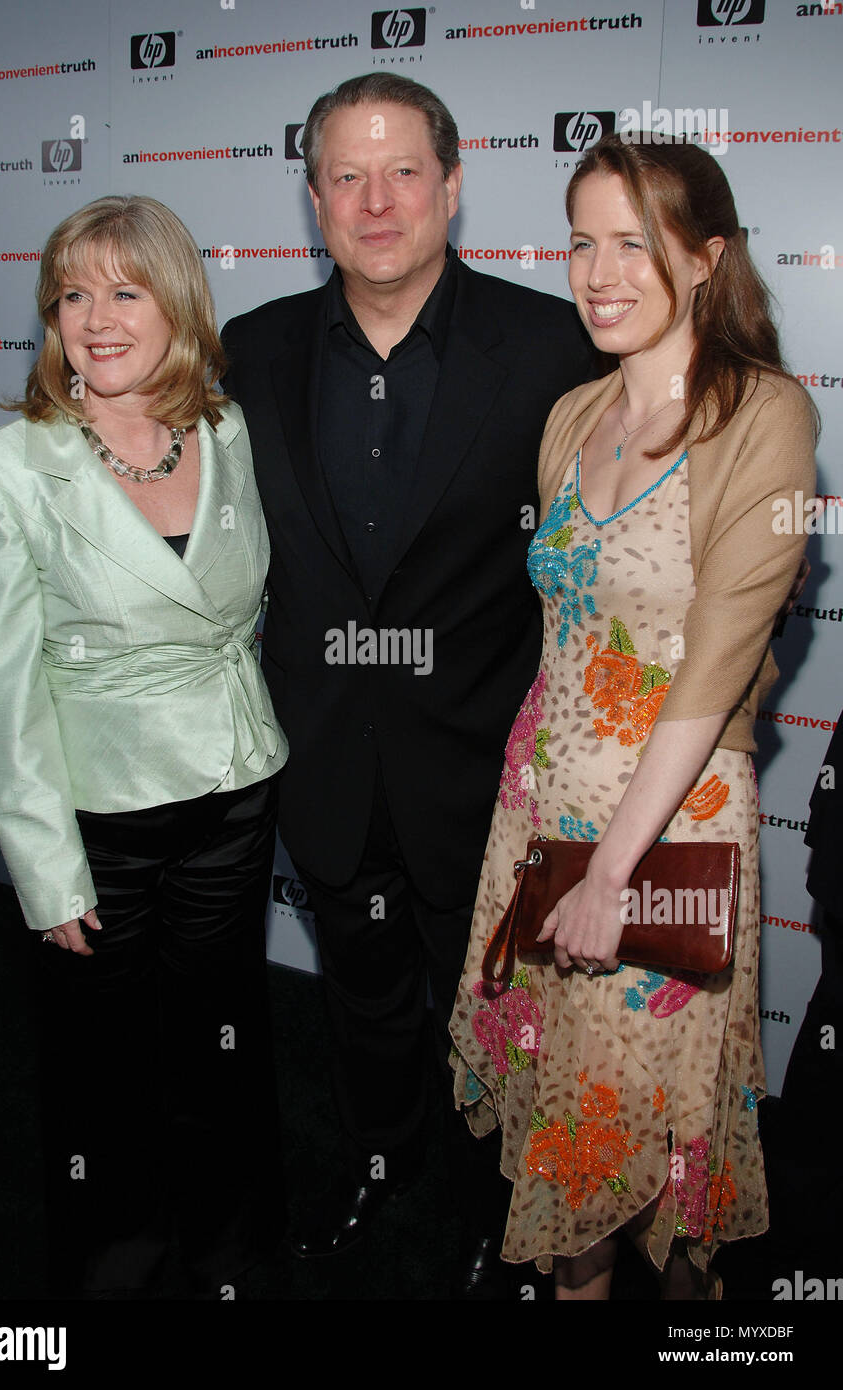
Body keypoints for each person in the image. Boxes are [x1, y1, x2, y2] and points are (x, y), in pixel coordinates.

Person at [221, 73, 594, 1288]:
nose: (374, 202)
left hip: (489, 770)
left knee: (509, 1019)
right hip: (324, 759)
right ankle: (382, 1169)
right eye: (345, 175)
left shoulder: (549, 341)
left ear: (451, 184)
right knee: (365, 1001)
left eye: (402, 173)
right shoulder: (253, 348)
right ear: (314, 194)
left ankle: (513, 1214)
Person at [448, 133, 818, 1299]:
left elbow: (718, 664)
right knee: (564, 1137)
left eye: (635, 244)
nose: (599, 272)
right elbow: (561, 638)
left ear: (704, 259)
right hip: (541, 811)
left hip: (664, 829)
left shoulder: (766, 418)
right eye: (580, 243)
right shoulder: (571, 416)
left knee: (644, 1141)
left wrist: (612, 872)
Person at [0, 195, 288, 1298]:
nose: (95, 317)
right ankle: (118, 1273)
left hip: (234, 799)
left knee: (222, 1046)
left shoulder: (225, 431)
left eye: (124, 290)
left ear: (177, 301)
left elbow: (237, 617)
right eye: (72, 294)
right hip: (100, 827)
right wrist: (46, 876)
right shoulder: (3, 471)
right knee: (104, 1077)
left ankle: (230, 1255)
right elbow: (2, 692)